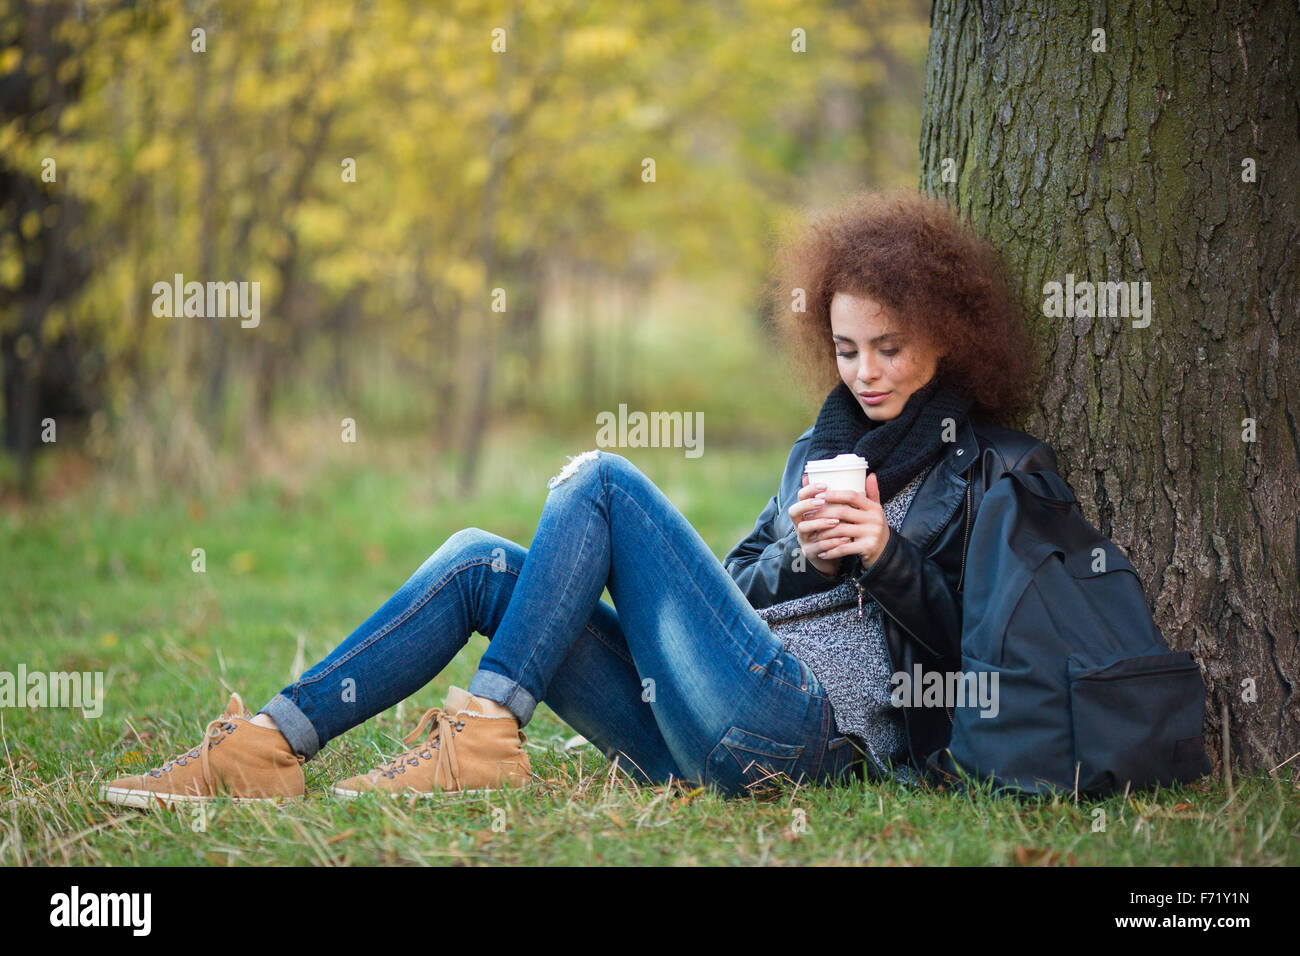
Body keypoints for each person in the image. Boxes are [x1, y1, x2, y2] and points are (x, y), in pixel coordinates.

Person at [99, 188, 1058, 807]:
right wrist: (807, 552)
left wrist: (885, 553)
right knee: (481, 560)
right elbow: (732, 586)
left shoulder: (982, 467)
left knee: (601, 480)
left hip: (808, 734)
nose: (866, 374)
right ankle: (267, 748)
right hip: (692, 721)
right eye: (847, 351)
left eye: (888, 348)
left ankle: (479, 733)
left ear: (947, 336)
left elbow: (978, 652)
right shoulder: (824, 445)